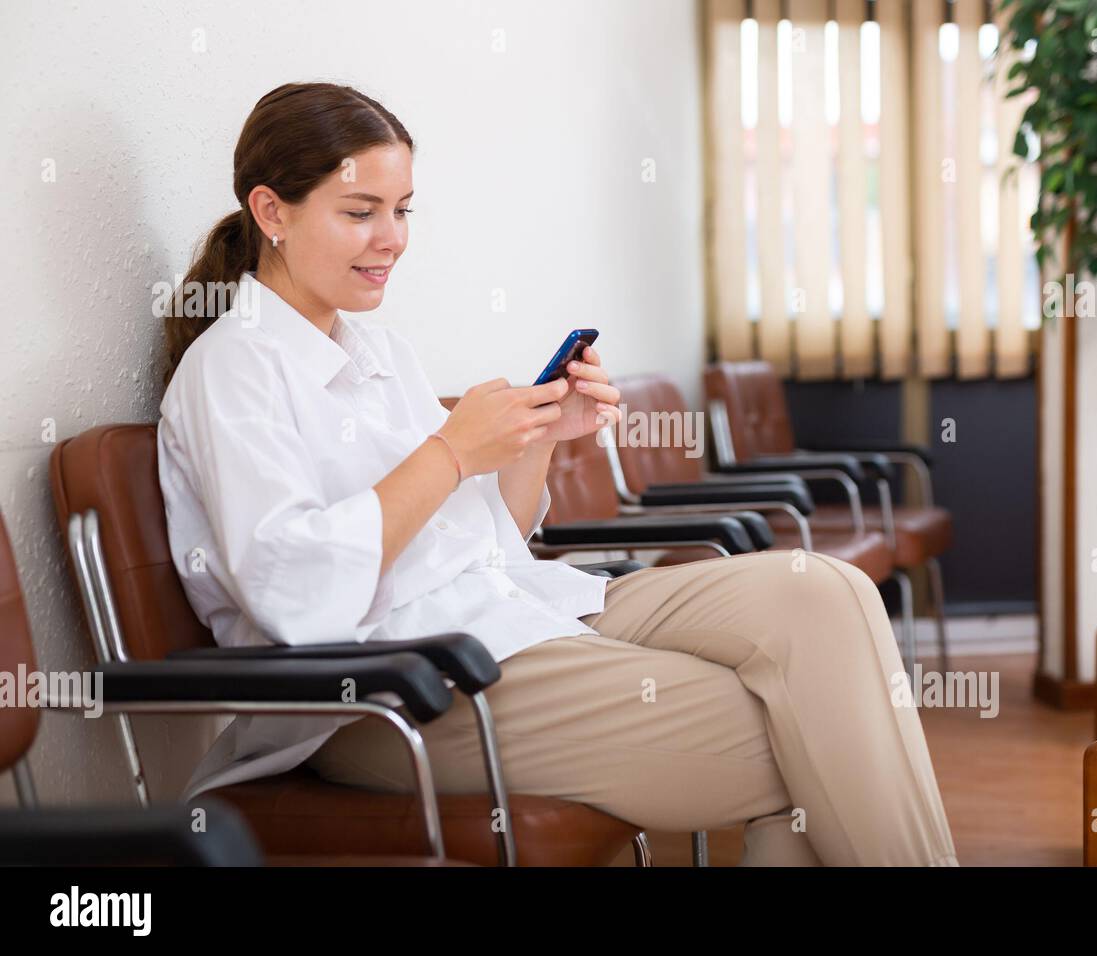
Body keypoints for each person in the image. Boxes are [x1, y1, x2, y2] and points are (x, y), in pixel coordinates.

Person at [158, 81, 958, 866]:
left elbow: (486, 541)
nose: (392, 238)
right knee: (813, 726)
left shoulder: (377, 353)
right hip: (397, 692)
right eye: (360, 213)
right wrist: (451, 453)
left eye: (402, 211)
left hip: (514, 611)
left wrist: (546, 436)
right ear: (272, 213)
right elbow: (294, 593)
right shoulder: (231, 369)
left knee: (826, 594)